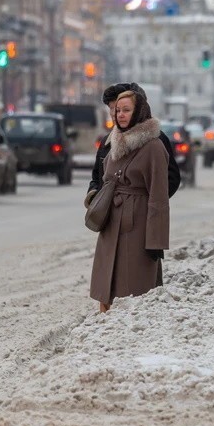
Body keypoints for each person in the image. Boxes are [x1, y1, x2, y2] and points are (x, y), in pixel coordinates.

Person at [89, 89, 170, 313]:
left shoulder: (154, 146)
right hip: (111, 221)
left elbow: (159, 198)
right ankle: (104, 324)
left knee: (133, 287)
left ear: (139, 112)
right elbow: (102, 174)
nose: (120, 115)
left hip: (137, 222)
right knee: (107, 284)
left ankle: (129, 328)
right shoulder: (114, 141)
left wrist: (156, 242)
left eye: (126, 110)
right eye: (117, 110)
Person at [86, 82, 181, 207]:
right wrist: (95, 198)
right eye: (112, 108)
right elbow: (97, 177)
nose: (116, 113)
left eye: (124, 109)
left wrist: (144, 202)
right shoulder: (107, 142)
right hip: (110, 215)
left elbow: (171, 178)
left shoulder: (155, 139)